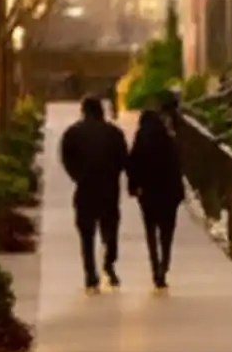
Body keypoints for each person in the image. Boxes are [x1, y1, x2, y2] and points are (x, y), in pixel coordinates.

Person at [60, 96, 128, 292]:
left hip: (85, 189)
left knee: (87, 234)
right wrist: (112, 173)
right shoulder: (114, 133)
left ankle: (91, 275)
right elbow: (123, 159)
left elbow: (66, 159)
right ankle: (109, 263)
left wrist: (78, 175)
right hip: (109, 190)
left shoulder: (73, 134)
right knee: (110, 230)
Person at [127, 110, 184, 290]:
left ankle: (155, 266)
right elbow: (177, 167)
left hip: (148, 193)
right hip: (168, 193)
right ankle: (164, 263)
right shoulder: (169, 141)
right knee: (166, 234)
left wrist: (133, 187)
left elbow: (132, 164)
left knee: (150, 232)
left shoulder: (140, 140)